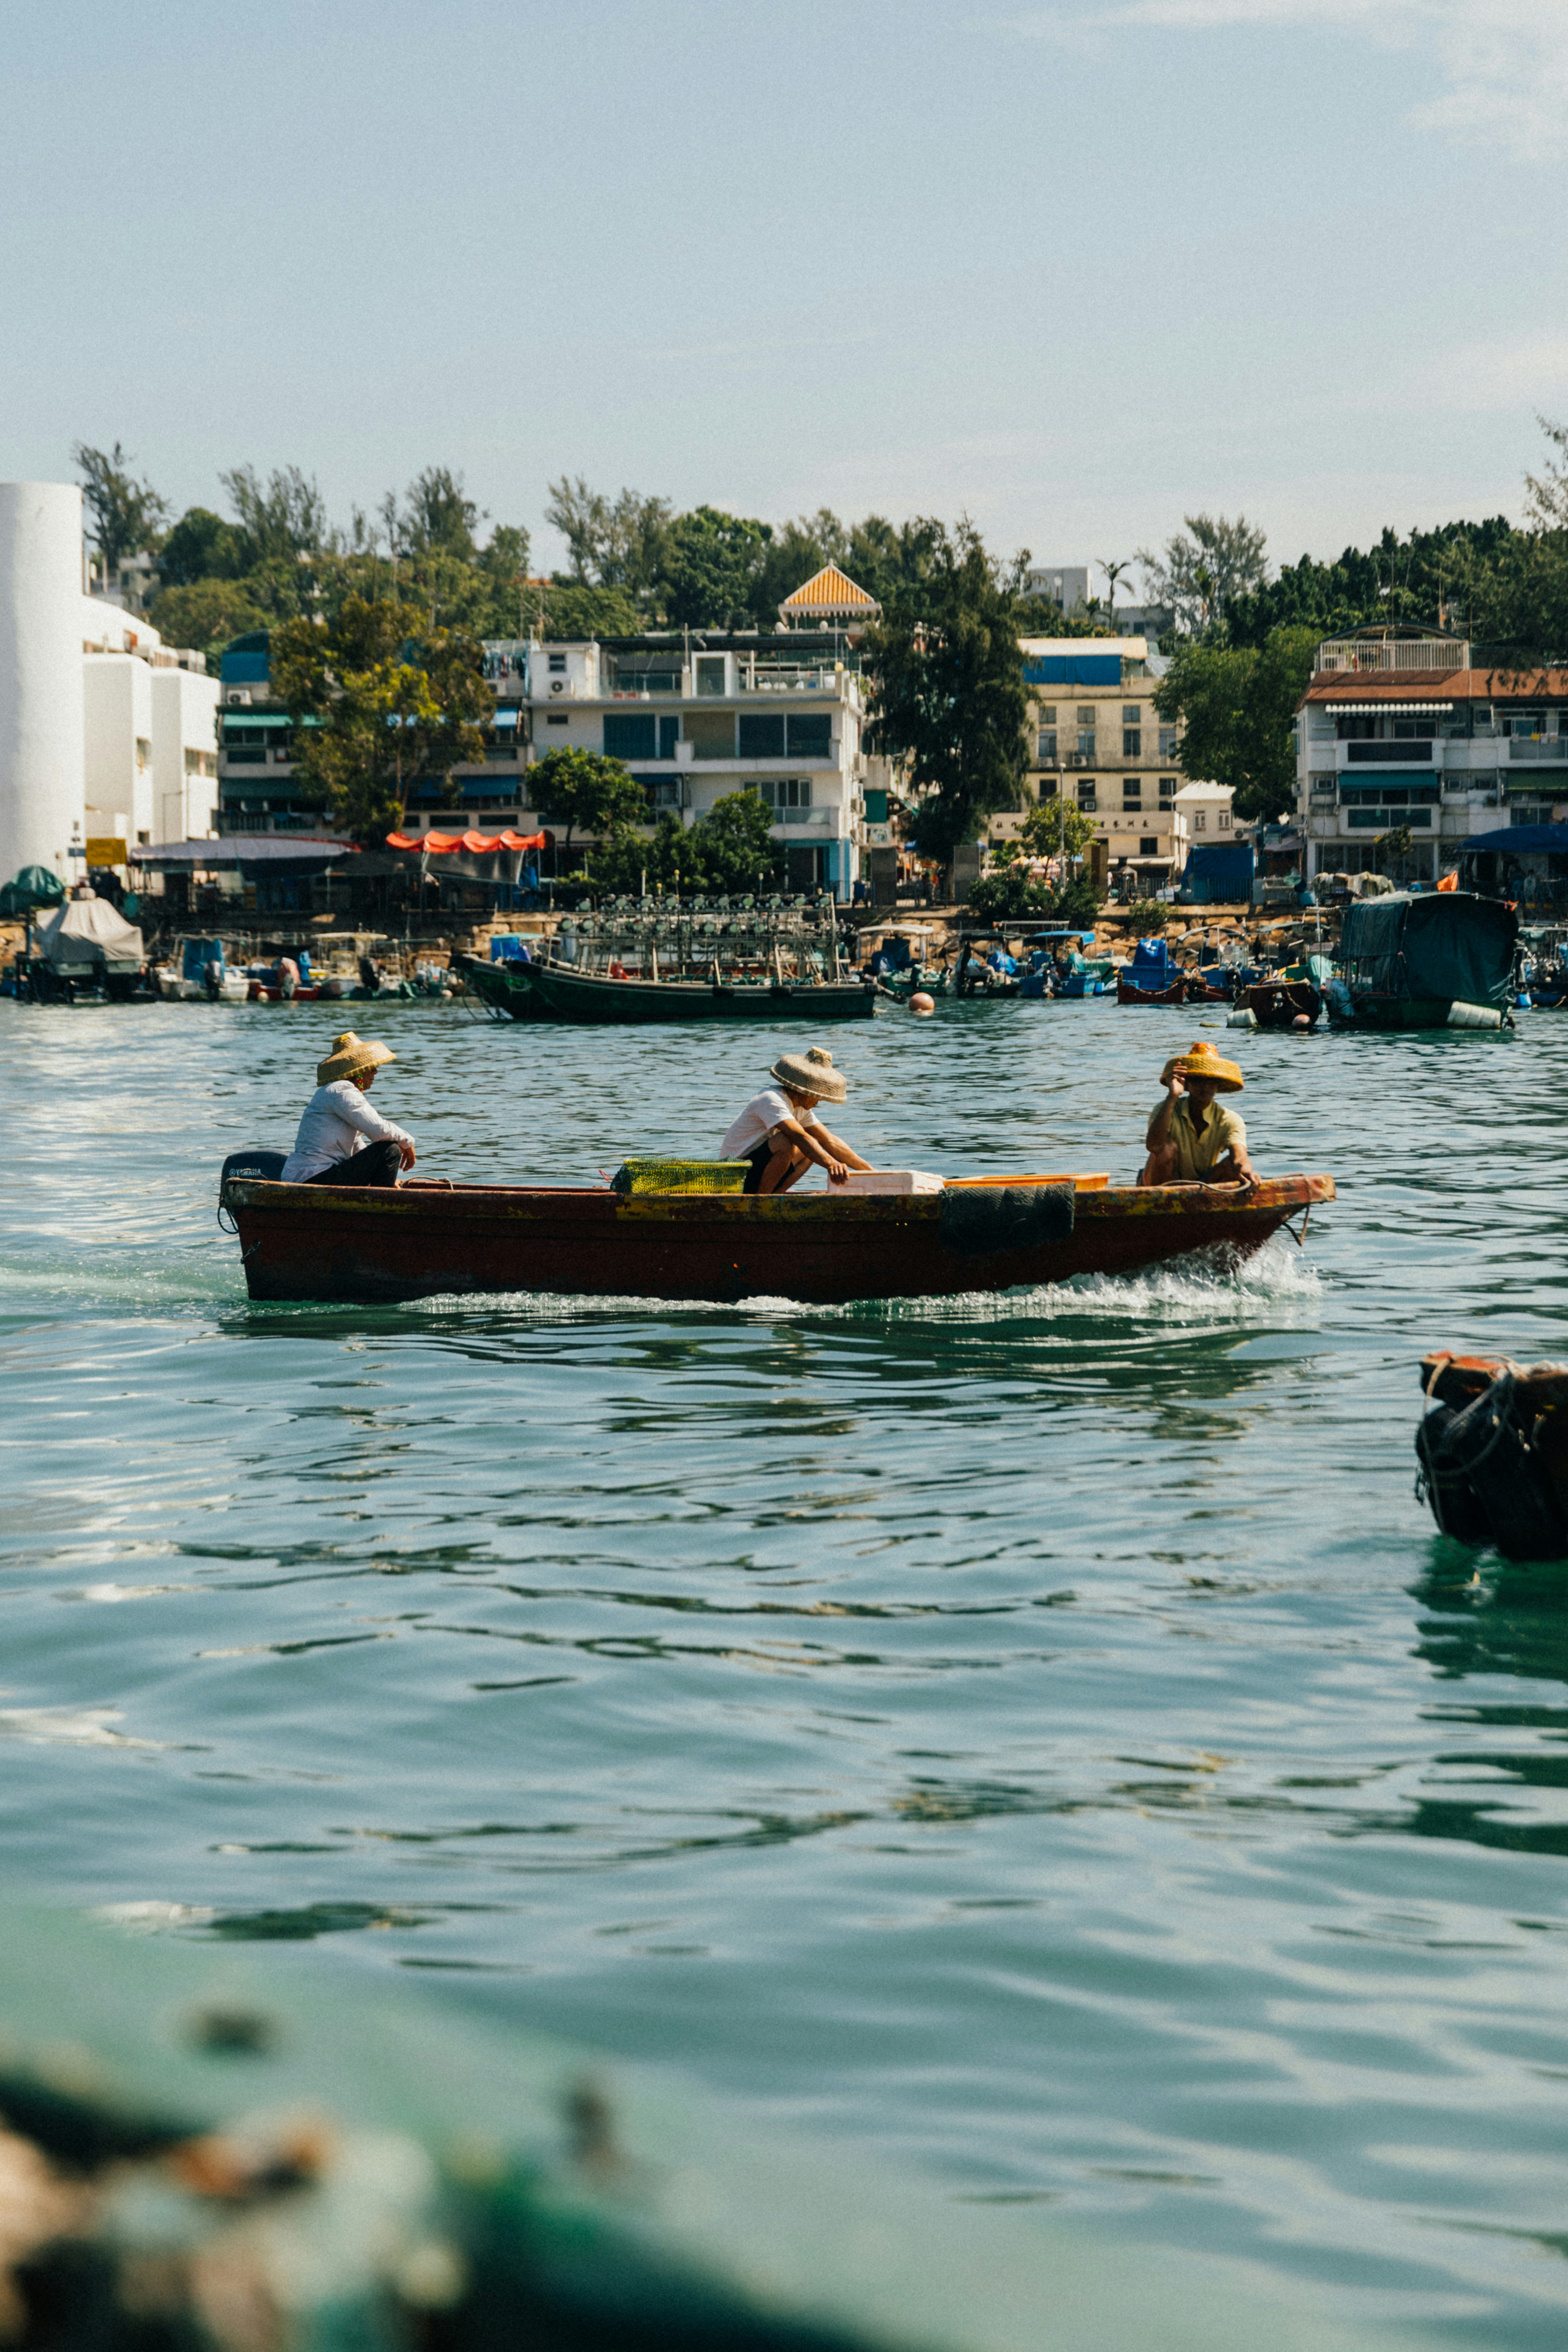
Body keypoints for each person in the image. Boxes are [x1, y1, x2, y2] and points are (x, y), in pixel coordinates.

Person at [719, 1048, 874, 1195]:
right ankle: (762, 1200)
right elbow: (798, 1136)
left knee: (815, 1146)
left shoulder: (801, 1109)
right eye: (817, 1095)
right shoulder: (771, 1098)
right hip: (734, 1176)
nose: (819, 1101)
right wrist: (831, 1164)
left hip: (755, 1171)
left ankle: (775, 1196)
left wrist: (871, 1172)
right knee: (789, 1141)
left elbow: (830, 1140)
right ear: (804, 1090)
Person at [281, 1031, 416, 1187]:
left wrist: (386, 1174)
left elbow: (357, 1147)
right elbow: (378, 1130)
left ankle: (384, 1194)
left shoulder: (336, 1092)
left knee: (387, 1149)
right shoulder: (341, 1090)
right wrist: (408, 1142)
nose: (375, 1072)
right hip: (314, 1177)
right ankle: (382, 1203)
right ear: (358, 1071)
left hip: (315, 1176)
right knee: (390, 1149)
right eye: (371, 1067)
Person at [1138, 1041, 1258, 1191]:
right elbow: (1154, 1146)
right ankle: (1162, 1203)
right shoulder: (1166, 1109)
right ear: (1187, 1083)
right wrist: (1173, 1095)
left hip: (1204, 1184)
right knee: (1167, 1149)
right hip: (1161, 1185)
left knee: (1232, 1165)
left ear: (1218, 1084)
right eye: (1197, 1080)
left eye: (1211, 1081)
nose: (1205, 1086)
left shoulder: (1230, 1119)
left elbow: (1240, 1157)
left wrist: (1247, 1173)